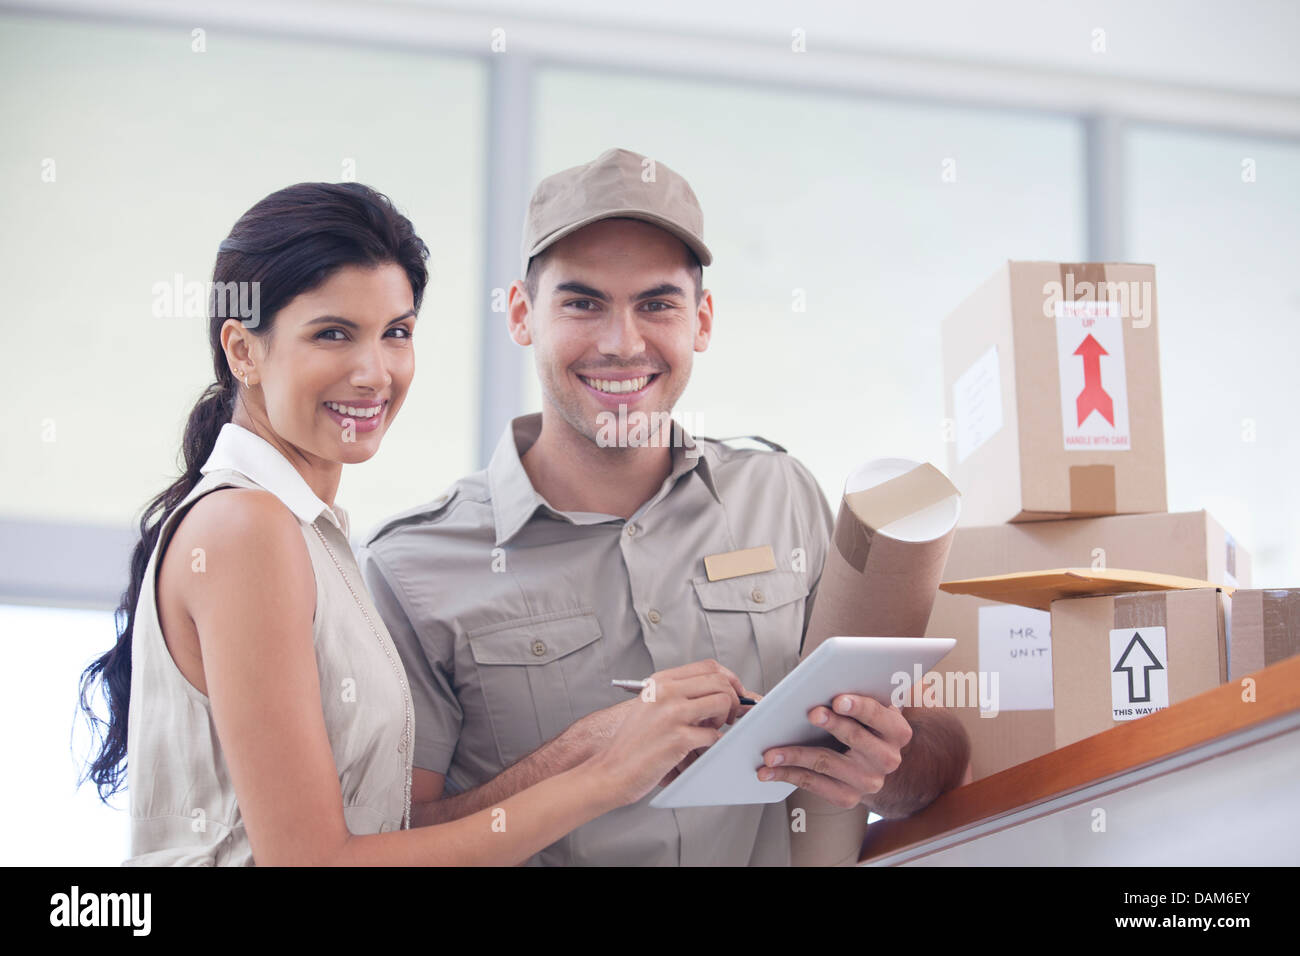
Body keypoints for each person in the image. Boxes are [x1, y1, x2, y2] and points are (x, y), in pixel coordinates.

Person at [76, 181, 748, 866]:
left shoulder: (295, 529)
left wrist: (587, 747)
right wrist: (608, 779)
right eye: (333, 333)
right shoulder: (247, 527)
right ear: (243, 350)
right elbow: (317, 863)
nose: (375, 373)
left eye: (396, 333)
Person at [360, 148, 970, 867]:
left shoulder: (782, 496)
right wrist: (590, 758)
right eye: (583, 303)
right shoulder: (412, 566)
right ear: (522, 315)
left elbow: (935, 751)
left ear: (701, 322)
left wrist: (890, 766)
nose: (623, 343)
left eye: (657, 304)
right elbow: (396, 844)